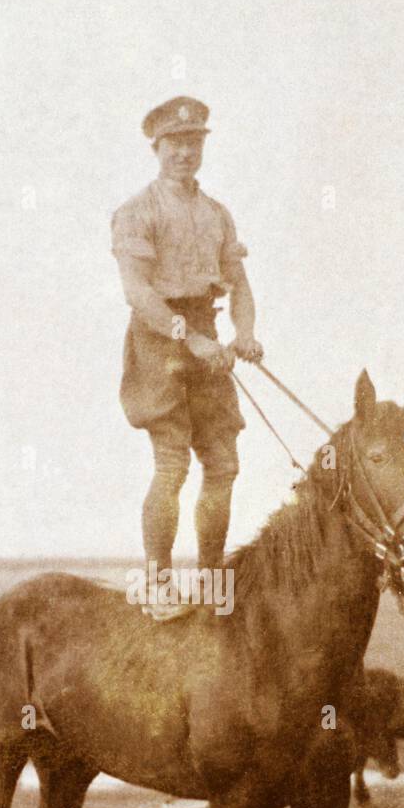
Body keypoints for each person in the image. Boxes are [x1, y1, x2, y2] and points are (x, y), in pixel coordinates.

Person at [111, 96, 263, 619]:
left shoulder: (217, 214)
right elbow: (138, 293)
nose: (185, 153)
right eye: (175, 144)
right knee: (172, 463)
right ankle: (157, 583)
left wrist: (244, 332)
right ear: (156, 147)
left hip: (208, 337)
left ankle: (212, 580)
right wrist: (189, 337)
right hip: (159, 343)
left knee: (223, 465)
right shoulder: (136, 212)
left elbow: (239, 285)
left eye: (194, 143)